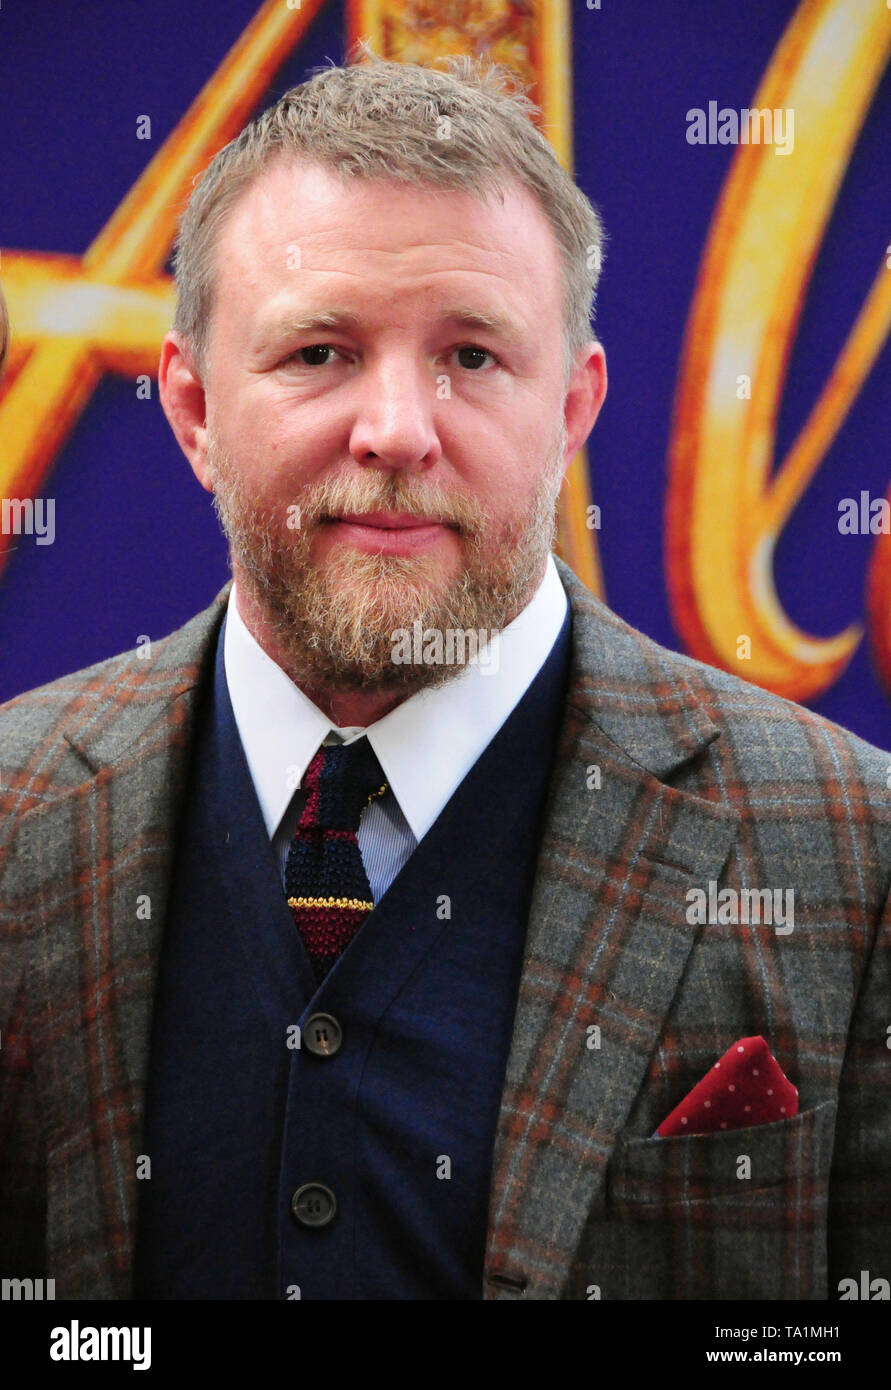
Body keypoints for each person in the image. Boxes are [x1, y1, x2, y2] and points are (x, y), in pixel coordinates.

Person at [0, 46, 888, 1303]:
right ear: (192, 410)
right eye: (319, 353)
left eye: (472, 356)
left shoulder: (854, 852)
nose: (399, 430)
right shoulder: (12, 817)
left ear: (573, 412)